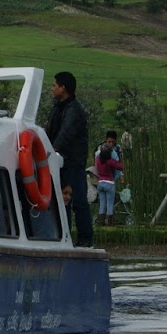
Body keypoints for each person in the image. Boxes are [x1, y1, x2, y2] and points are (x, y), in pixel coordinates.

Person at [46, 71, 92, 247]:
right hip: (59, 162)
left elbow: (65, 133)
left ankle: (85, 239)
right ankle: (64, 237)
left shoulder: (74, 110)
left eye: (54, 85)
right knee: (61, 202)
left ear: (63, 88)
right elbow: (50, 131)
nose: (52, 89)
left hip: (73, 162)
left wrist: (51, 150)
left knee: (78, 201)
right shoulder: (58, 108)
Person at [93, 131, 123, 226]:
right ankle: (110, 221)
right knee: (110, 203)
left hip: (100, 183)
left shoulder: (98, 160)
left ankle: (101, 221)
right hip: (109, 183)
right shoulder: (110, 161)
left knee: (102, 203)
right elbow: (120, 167)